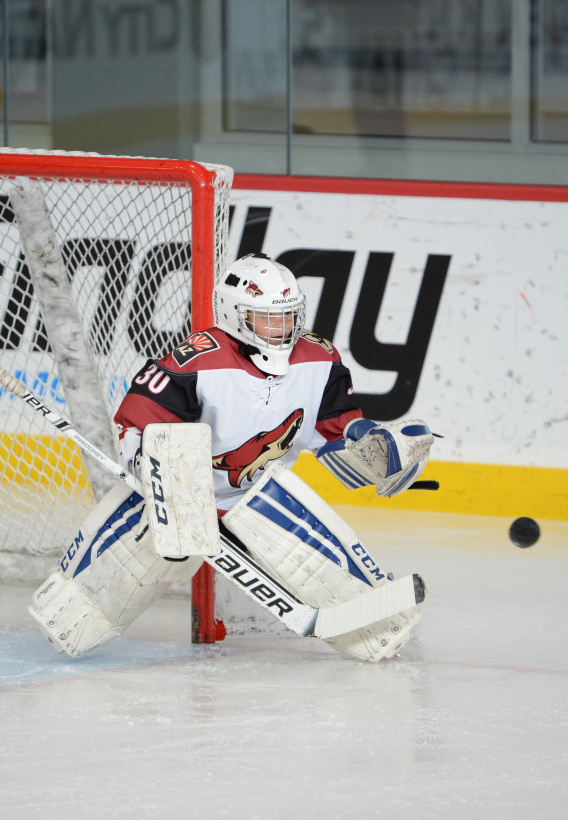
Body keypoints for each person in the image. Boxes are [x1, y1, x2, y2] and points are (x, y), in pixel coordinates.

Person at [28, 253, 433, 661]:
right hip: (181, 498)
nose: (283, 330)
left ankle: (373, 623)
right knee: (74, 615)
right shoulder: (196, 361)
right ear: (233, 314)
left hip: (258, 495)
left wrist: (362, 435)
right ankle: (71, 604)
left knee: (369, 618)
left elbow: (336, 420)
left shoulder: (319, 358)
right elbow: (136, 423)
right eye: (268, 319)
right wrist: (151, 475)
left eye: (289, 317)